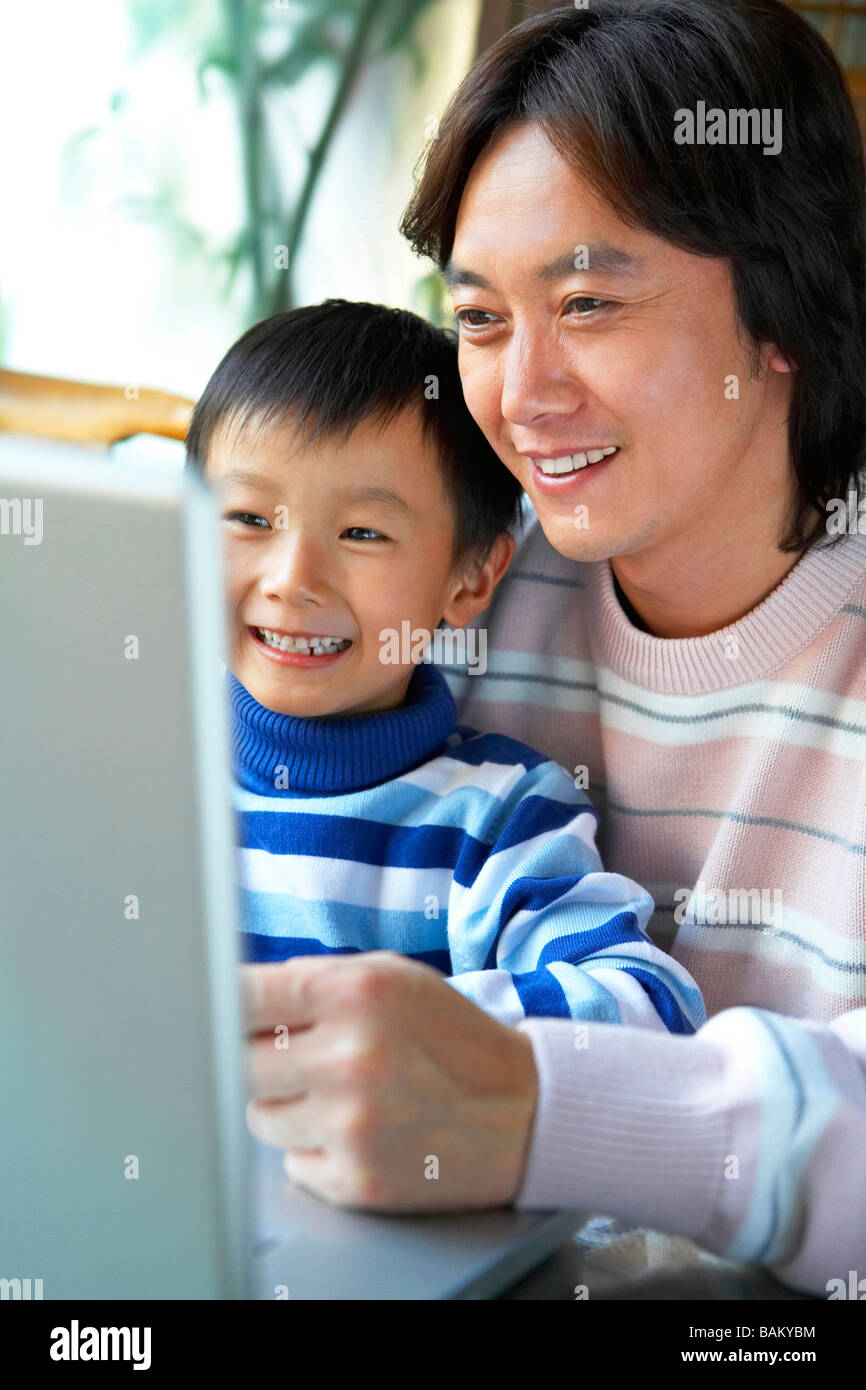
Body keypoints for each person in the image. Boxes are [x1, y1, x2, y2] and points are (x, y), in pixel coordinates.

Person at [239, 0, 866, 1292]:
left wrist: (540, 1105)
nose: (519, 398)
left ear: (785, 310)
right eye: (477, 320)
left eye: (584, 303)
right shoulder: (450, 587)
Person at [186, 299, 704, 1031]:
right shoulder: (138, 765)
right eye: (248, 519)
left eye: (362, 532)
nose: (292, 578)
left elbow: (647, 1006)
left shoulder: (496, 819)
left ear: (470, 578)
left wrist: (404, 1029)